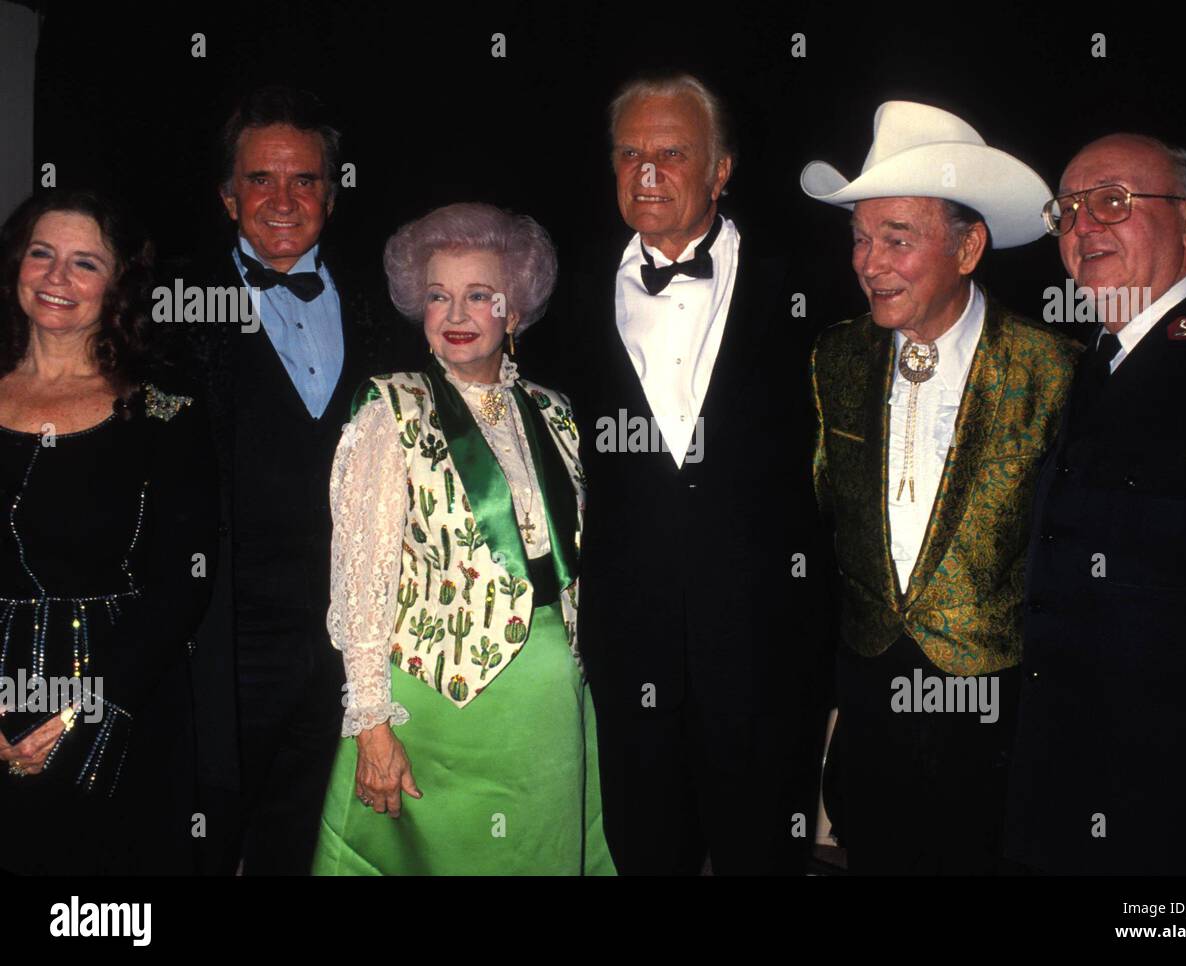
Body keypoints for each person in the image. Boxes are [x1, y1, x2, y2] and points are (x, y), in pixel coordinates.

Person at [528, 73, 831, 875]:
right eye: (630, 153)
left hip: (767, 659)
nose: (648, 172)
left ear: (722, 167)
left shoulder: (814, 288)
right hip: (628, 657)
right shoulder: (557, 298)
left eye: (671, 153)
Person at [1006, 134, 1186, 875]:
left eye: (1112, 202)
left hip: (1181, 827)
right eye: (1066, 211)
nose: (1081, 228)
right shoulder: (1101, 360)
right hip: (1070, 800)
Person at [802, 101, 1078, 874]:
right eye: (859, 237)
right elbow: (817, 512)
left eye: (897, 238)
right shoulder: (835, 357)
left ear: (968, 247)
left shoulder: (1051, 371)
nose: (867, 261)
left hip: (996, 709)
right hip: (870, 691)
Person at [311, 202, 613, 875]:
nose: (455, 315)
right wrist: (370, 720)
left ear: (516, 310)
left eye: (479, 296)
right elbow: (362, 578)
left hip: (547, 696)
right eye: (439, 296)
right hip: (433, 697)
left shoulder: (554, 411)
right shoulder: (392, 407)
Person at [185, 86, 422, 874]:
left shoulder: (385, 308)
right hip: (225, 645)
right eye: (260, 179)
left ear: (333, 189)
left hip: (347, 645)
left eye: (306, 180)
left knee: (308, 850)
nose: (284, 200)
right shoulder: (173, 311)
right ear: (228, 197)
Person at [0, 189, 217, 874]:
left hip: (119, 700)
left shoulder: (164, 409)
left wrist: (78, 712)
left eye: (85, 263)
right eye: (42, 254)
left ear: (118, 284)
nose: (57, 278)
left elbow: (179, 589)